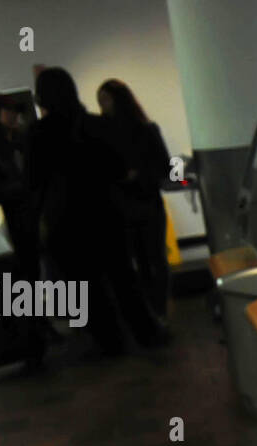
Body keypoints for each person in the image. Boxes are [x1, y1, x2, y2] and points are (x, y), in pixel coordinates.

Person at [26, 67, 168, 356]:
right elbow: (118, 166)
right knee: (123, 277)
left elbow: (32, 180)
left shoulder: (38, 133)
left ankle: (110, 341)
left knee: (86, 288)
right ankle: (147, 333)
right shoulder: (94, 125)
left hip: (64, 221)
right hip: (105, 212)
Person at [96, 79, 171, 320]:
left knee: (150, 260)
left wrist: (135, 174)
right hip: (137, 203)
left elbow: (163, 166)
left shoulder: (132, 131)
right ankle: (154, 311)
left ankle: (155, 310)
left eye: (106, 100)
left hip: (135, 203)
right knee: (147, 260)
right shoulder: (142, 130)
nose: (103, 106)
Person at [0, 96, 38, 280]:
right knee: (19, 271)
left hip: (27, 213)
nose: (13, 116)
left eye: (15, 112)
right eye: (8, 111)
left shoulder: (20, 140)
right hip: (8, 216)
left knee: (32, 266)